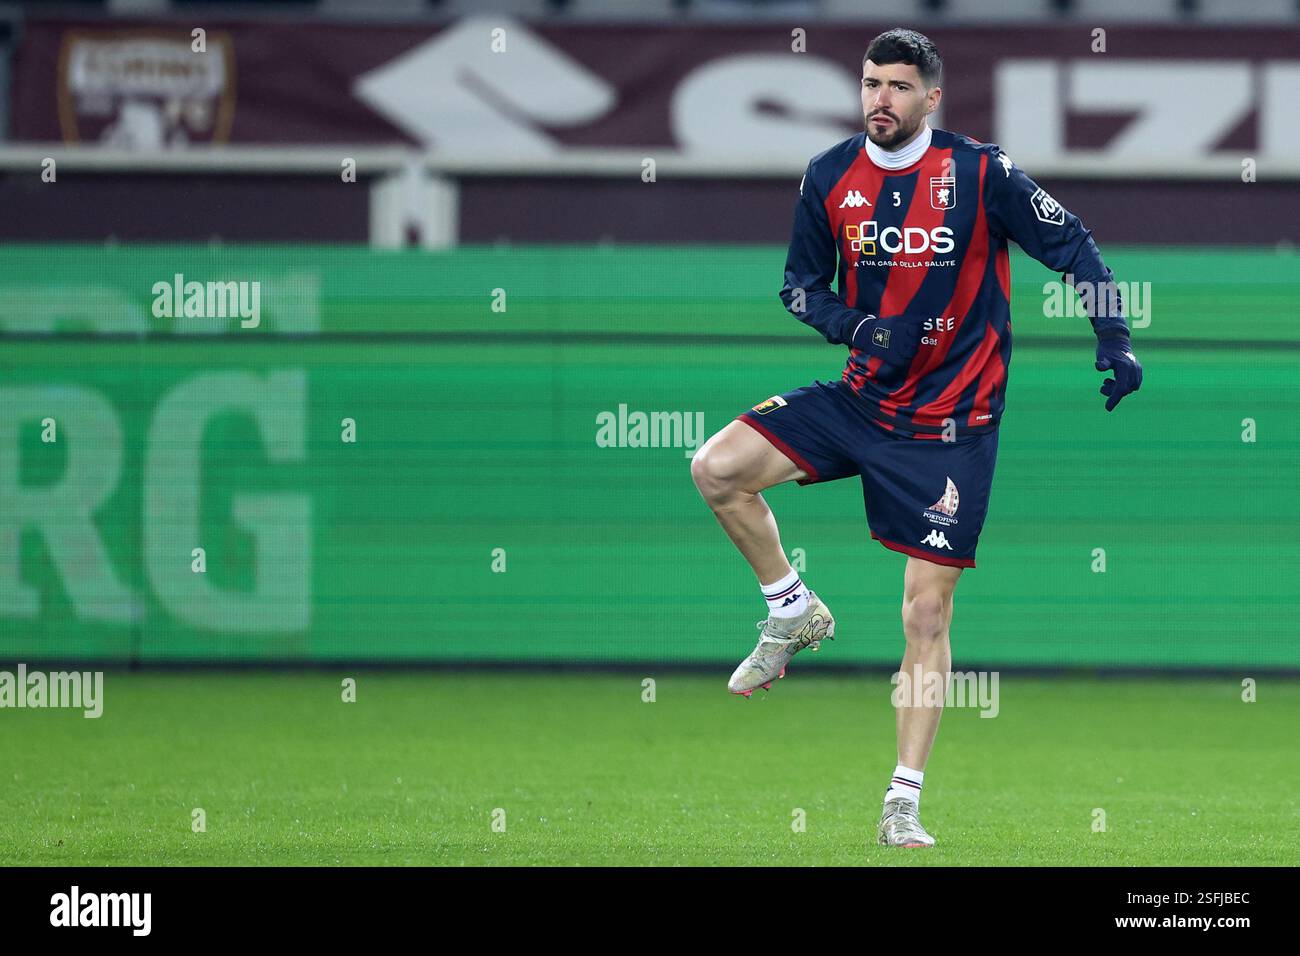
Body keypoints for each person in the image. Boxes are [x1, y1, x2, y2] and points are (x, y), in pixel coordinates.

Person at [689, 27, 1142, 848]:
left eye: (898, 87)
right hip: (861, 402)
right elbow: (797, 290)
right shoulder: (828, 177)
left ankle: (902, 801)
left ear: (932, 96)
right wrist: (858, 326)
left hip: (951, 425)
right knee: (716, 467)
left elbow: (1075, 248)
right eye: (870, 84)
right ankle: (791, 609)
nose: (880, 100)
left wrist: (1114, 339)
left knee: (924, 618)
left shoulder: (980, 172)